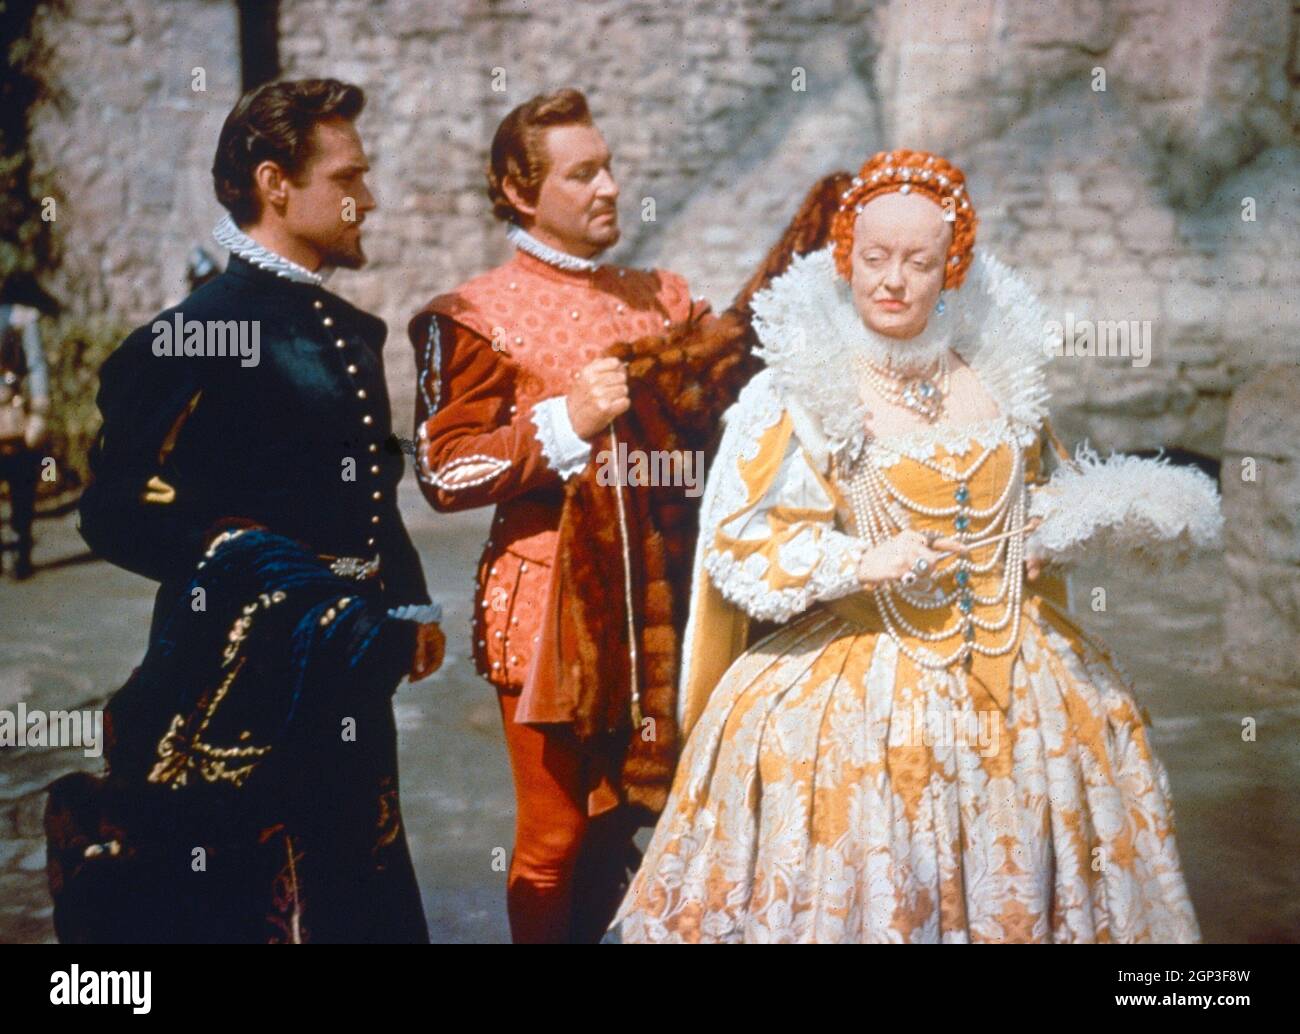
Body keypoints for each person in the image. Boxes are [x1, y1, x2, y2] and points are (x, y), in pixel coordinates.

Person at [613, 149, 1222, 943]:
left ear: (952, 269)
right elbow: (738, 541)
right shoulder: (802, 390)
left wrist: (1051, 532)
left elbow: (1045, 488)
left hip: (1023, 678)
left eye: (918, 262)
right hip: (860, 673)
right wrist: (855, 561)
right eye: (874, 259)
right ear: (845, 259)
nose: (893, 280)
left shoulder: (1000, 377)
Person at [68, 78, 444, 943]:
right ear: (276, 184)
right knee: (247, 902)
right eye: (348, 176)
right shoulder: (209, 324)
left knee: (357, 886)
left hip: (353, 661)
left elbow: (370, 489)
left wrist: (411, 598)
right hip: (239, 678)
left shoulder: (347, 330)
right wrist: (229, 550)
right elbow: (111, 506)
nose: (370, 198)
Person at [0, 292, 52, 580]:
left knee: (21, 486)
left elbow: (35, 363)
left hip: (11, 417)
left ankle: (21, 552)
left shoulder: (19, 317)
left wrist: (38, 412)